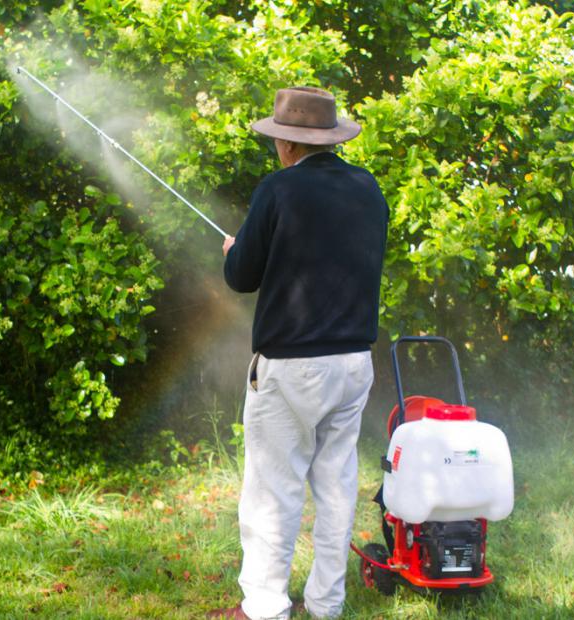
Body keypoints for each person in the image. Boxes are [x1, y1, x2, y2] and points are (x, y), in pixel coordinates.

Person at [209, 87, 388, 620]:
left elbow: (242, 276)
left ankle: (264, 607)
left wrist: (234, 251)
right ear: (329, 140)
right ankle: (326, 604)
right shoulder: (369, 189)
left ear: (288, 144)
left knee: (273, 489)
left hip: (290, 367)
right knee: (336, 487)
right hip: (354, 363)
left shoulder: (278, 190)